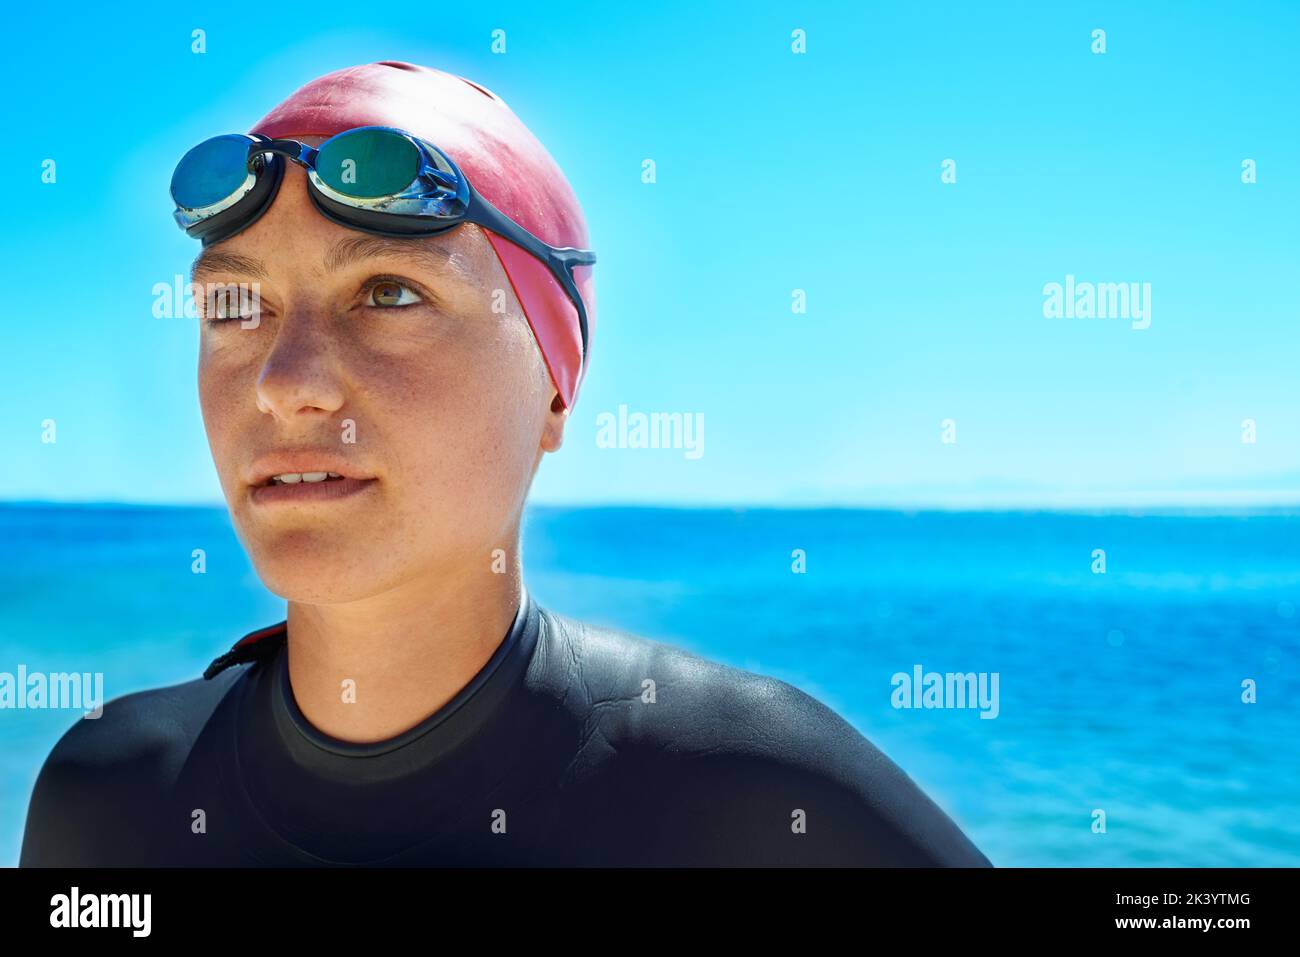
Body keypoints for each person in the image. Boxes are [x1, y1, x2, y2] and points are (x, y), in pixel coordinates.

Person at [19, 61, 991, 867]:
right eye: (236, 307)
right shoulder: (109, 801)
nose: (285, 382)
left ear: (555, 391)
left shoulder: (761, 799)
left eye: (388, 293)